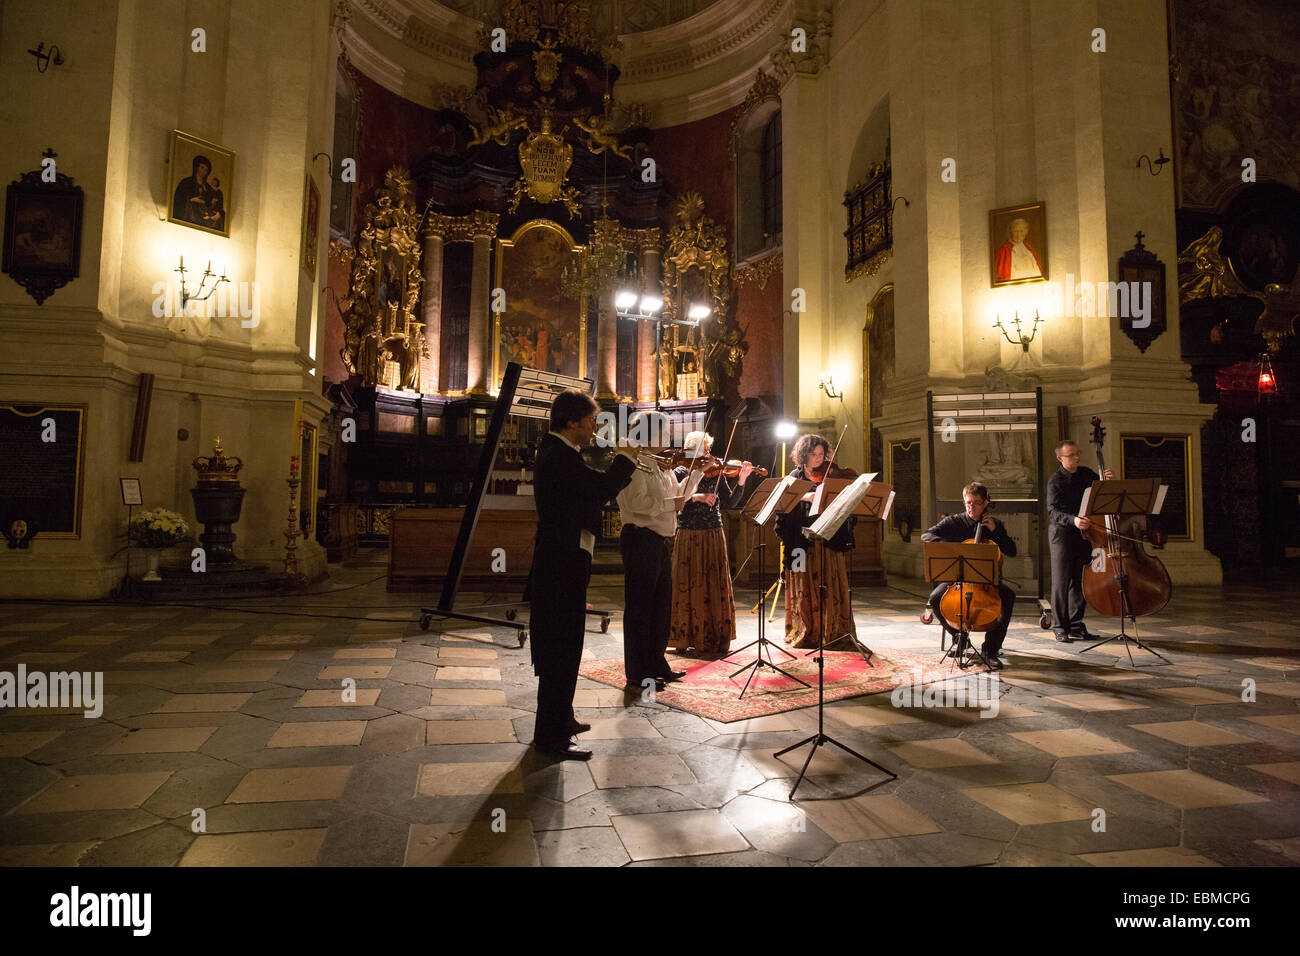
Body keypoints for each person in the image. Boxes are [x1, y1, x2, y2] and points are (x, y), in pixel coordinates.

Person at [528, 390, 638, 761]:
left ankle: (563, 718)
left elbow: (592, 489)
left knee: (569, 642)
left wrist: (620, 464)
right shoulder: (557, 455)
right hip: (560, 563)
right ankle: (550, 737)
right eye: (591, 421)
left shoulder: (564, 453)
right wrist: (624, 460)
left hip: (567, 558)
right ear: (572, 421)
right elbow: (599, 488)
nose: (595, 429)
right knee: (560, 646)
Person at [616, 412, 703, 687]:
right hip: (640, 538)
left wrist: (698, 471)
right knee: (640, 608)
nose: (668, 438)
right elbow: (636, 504)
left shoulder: (660, 464)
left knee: (661, 607)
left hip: (660, 540)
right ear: (648, 433)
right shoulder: (633, 463)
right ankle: (638, 671)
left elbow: (680, 496)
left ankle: (656, 661)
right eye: (664, 432)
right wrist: (670, 505)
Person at [667, 430, 753, 653]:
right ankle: (685, 636)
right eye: (703, 450)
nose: (708, 454)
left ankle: (714, 635)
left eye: (708, 449)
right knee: (689, 581)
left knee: (713, 583)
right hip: (689, 532)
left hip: (714, 531)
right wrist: (698, 497)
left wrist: (742, 480)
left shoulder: (716, 472)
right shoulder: (680, 471)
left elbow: (730, 502)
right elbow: (676, 499)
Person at [774, 434, 858, 649]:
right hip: (800, 542)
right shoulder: (795, 476)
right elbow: (783, 505)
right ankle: (805, 628)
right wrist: (804, 497)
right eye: (813, 455)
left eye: (821, 455)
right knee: (801, 582)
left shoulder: (833, 475)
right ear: (804, 455)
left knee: (829, 583)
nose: (818, 460)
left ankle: (831, 629)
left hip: (827, 539)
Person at [921, 482, 1017, 669]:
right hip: (957, 578)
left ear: (986, 502)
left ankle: (990, 649)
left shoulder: (995, 525)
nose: (971, 507)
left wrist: (995, 532)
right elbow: (927, 535)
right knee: (934, 599)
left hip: (986, 581)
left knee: (1008, 596)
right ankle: (959, 637)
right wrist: (951, 548)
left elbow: (1012, 551)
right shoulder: (954, 522)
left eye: (976, 503)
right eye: (968, 503)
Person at [1046, 439, 1114, 642]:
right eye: (1071, 455)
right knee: (1061, 581)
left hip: (1085, 533)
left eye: (1077, 453)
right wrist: (1074, 520)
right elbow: (1053, 512)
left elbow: (1101, 494)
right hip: (1062, 534)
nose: (1076, 457)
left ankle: (1076, 624)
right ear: (1060, 458)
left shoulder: (1086, 474)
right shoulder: (1055, 481)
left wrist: (1108, 481)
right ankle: (1059, 626)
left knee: (1080, 579)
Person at [994, 217, 1043, 281]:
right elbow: (1002, 277)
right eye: (1015, 231)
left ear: (1026, 232)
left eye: (1022, 231)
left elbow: (1038, 271)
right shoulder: (1003, 251)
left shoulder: (1029, 248)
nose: (1019, 234)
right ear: (1011, 231)